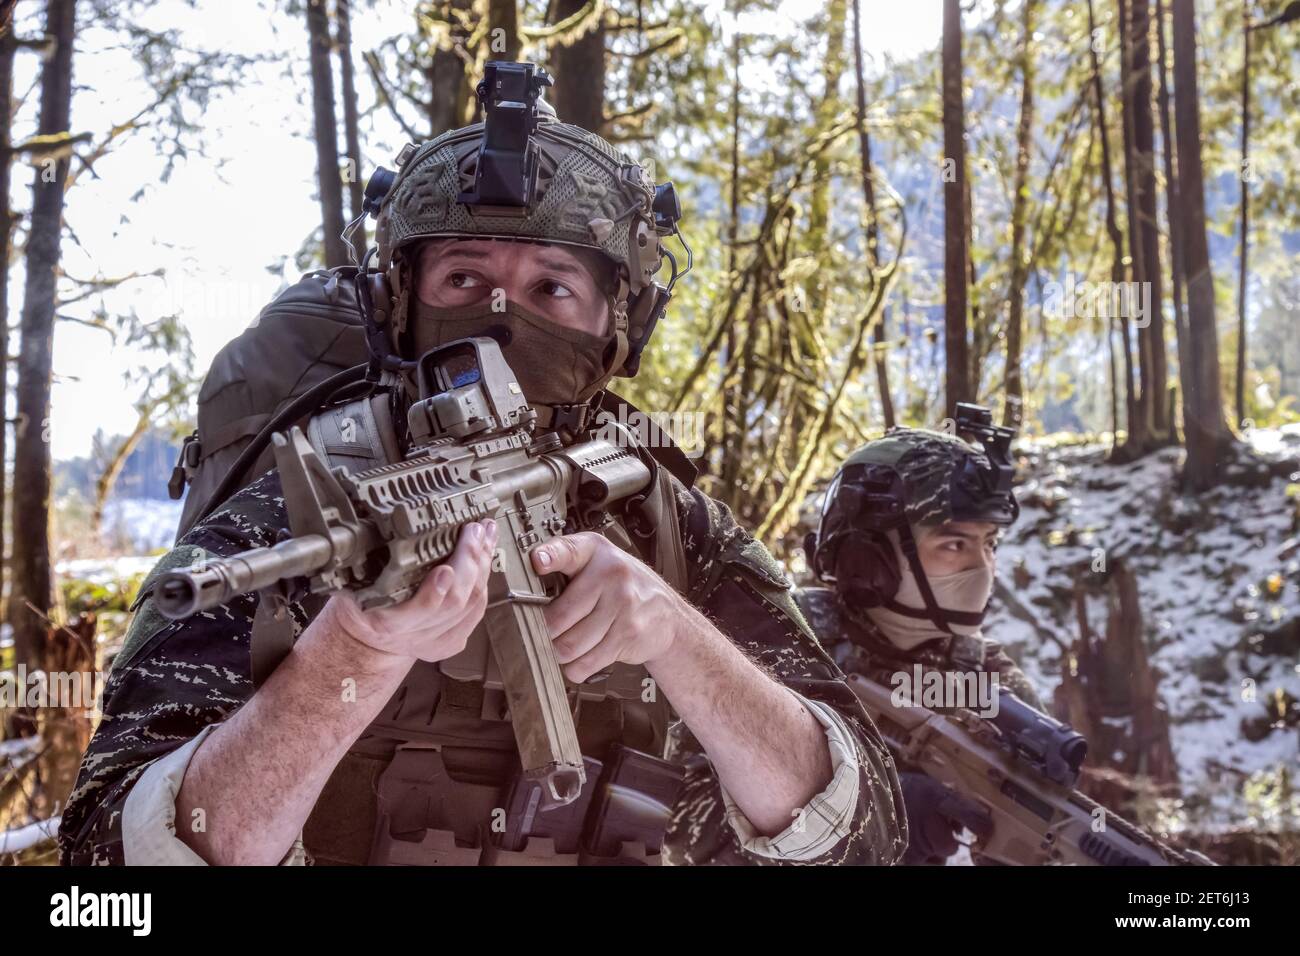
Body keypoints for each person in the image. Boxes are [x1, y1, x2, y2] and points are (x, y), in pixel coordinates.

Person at [58, 62, 904, 867]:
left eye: (552, 288)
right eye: (464, 278)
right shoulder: (287, 522)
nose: (502, 317)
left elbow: (865, 836)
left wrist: (677, 635)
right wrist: (345, 660)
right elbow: (106, 873)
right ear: (398, 305)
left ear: (621, 322)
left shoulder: (668, 526)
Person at [796, 414, 1043, 863]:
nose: (984, 568)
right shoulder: (777, 642)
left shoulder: (993, 690)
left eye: (989, 543)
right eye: (953, 545)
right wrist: (871, 818)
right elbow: (686, 829)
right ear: (867, 559)